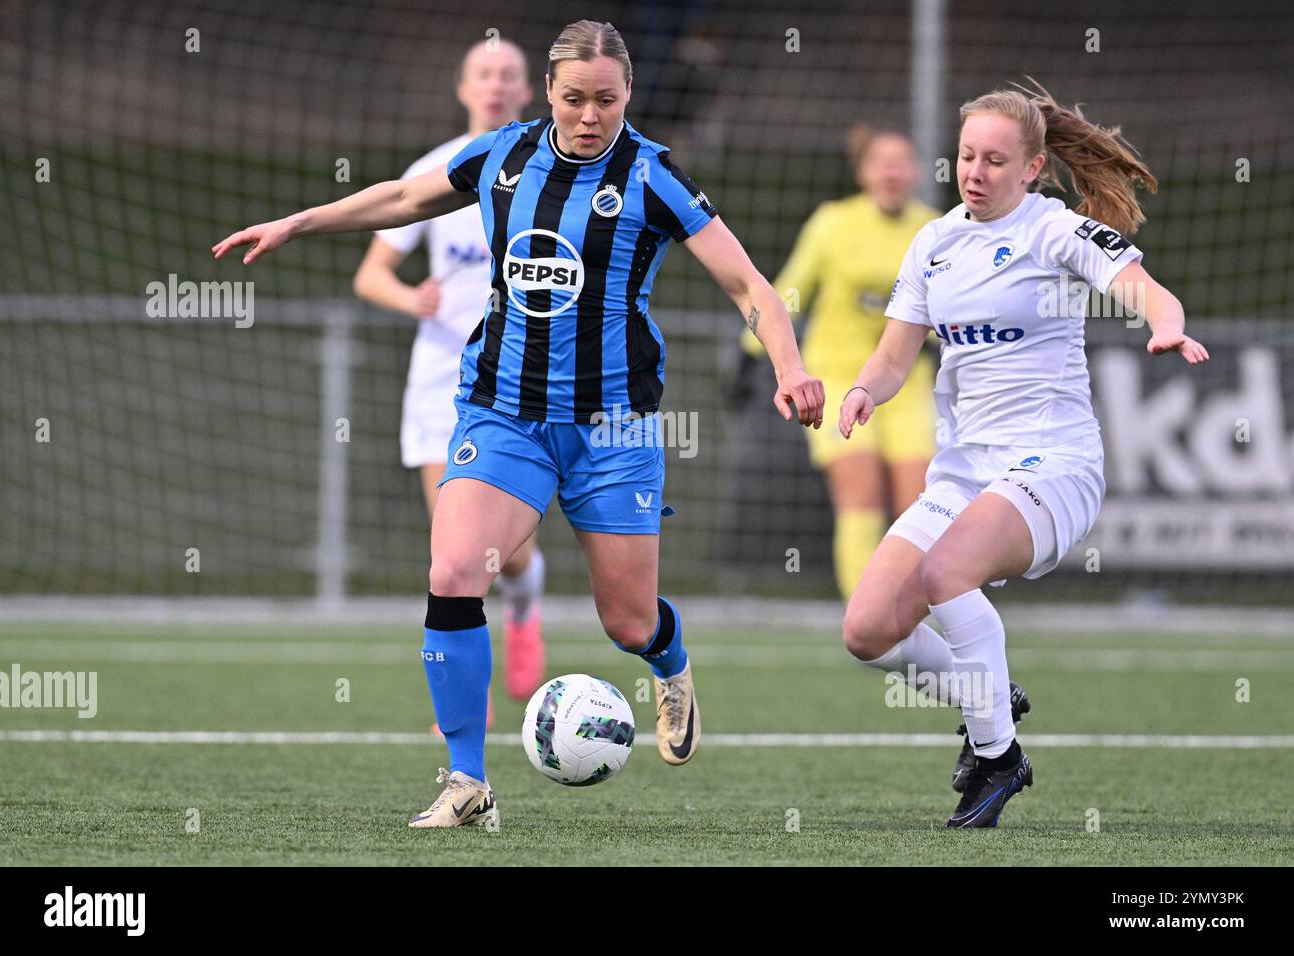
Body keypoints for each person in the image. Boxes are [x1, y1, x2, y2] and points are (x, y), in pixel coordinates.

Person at [213, 19, 824, 830]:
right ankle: (467, 781)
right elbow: (400, 199)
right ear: (549, 93)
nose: (588, 116)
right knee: (455, 570)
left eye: (606, 100)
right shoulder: (501, 155)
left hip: (613, 429)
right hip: (505, 414)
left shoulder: (651, 176)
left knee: (628, 621)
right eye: (573, 99)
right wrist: (299, 222)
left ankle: (669, 664)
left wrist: (791, 365)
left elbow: (749, 285)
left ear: (627, 96)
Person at [838, 79, 1208, 828]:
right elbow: (891, 356)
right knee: (868, 629)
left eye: (995, 160)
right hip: (965, 470)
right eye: (967, 156)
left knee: (947, 574)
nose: (975, 171)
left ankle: (999, 758)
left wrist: (1165, 325)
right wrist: (862, 392)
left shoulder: (1055, 230)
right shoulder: (934, 241)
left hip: (1052, 463)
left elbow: (1143, 288)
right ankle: (988, 693)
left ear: (1032, 169)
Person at [352, 39, 546, 710]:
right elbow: (370, 273)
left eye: (508, 77)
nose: (495, 86)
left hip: (519, 384)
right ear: (464, 88)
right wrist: (413, 298)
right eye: (484, 75)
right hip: (442, 384)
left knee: (508, 556)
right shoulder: (436, 170)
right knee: (455, 554)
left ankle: (525, 608)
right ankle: (470, 691)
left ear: (528, 92)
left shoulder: (546, 169)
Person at [741, 126, 940, 598]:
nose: (891, 172)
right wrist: (750, 355)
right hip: (835, 376)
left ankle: (916, 611)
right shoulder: (833, 223)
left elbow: (952, 307)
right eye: (881, 162)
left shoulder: (934, 230)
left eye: (901, 162)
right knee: (861, 497)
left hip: (906, 385)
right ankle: (866, 614)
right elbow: (789, 290)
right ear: (864, 172)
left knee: (923, 504)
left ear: (915, 171)